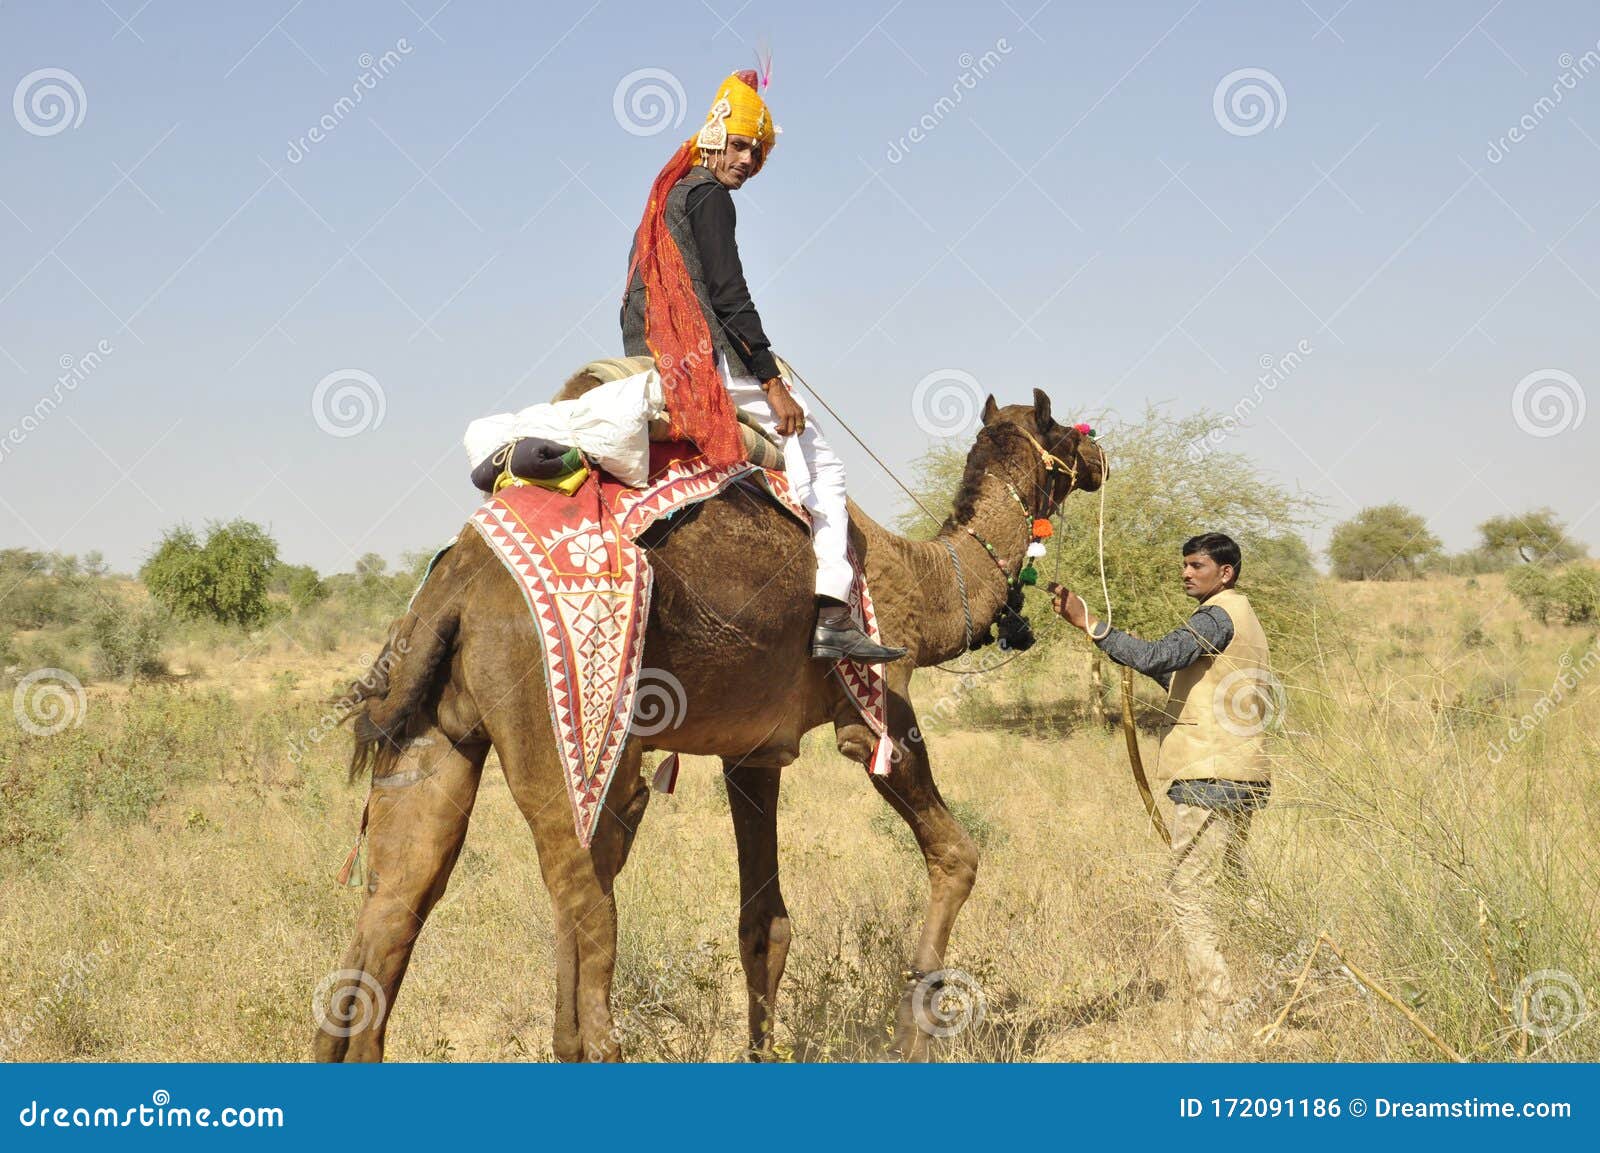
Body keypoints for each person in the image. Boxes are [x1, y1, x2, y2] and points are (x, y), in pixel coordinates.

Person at [621, 69, 904, 665]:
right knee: (824, 466)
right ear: (713, 138)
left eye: (758, 151)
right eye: (741, 145)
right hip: (701, 363)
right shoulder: (708, 195)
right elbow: (729, 294)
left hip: (657, 357)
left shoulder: (669, 195)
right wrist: (773, 384)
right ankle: (833, 611)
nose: (747, 160)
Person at [1050, 532, 1274, 1043]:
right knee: (1236, 890)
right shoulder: (1242, 619)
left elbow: (1156, 656)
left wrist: (1090, 623)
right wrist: (1112, 642)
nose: (1186, 573)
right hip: (1243, 772)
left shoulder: (1216, 616)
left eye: (1197, 565)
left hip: (1210, 775)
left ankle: (1215, 1021)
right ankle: (1288, 971)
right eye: (1185, 565)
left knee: (1187, 893)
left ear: (1226, 573)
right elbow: (1183, 679)